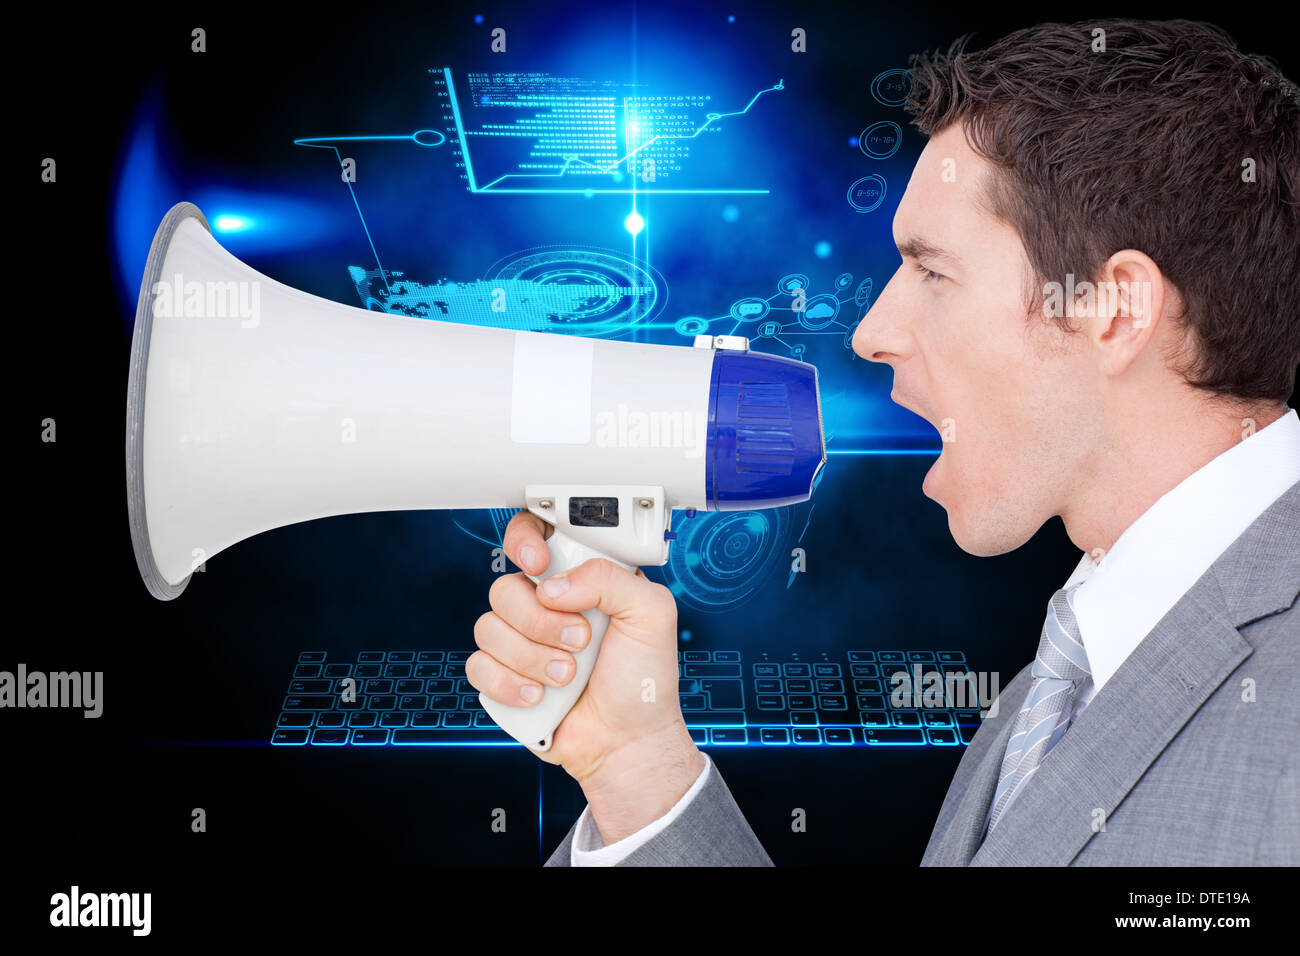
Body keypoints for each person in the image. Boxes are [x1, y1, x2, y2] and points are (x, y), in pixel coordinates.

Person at [466, 18, 1300, 865]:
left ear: (1113, 309)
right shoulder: (1055, 689)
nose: (870, 333)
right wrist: (639, 771)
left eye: (934, 271)